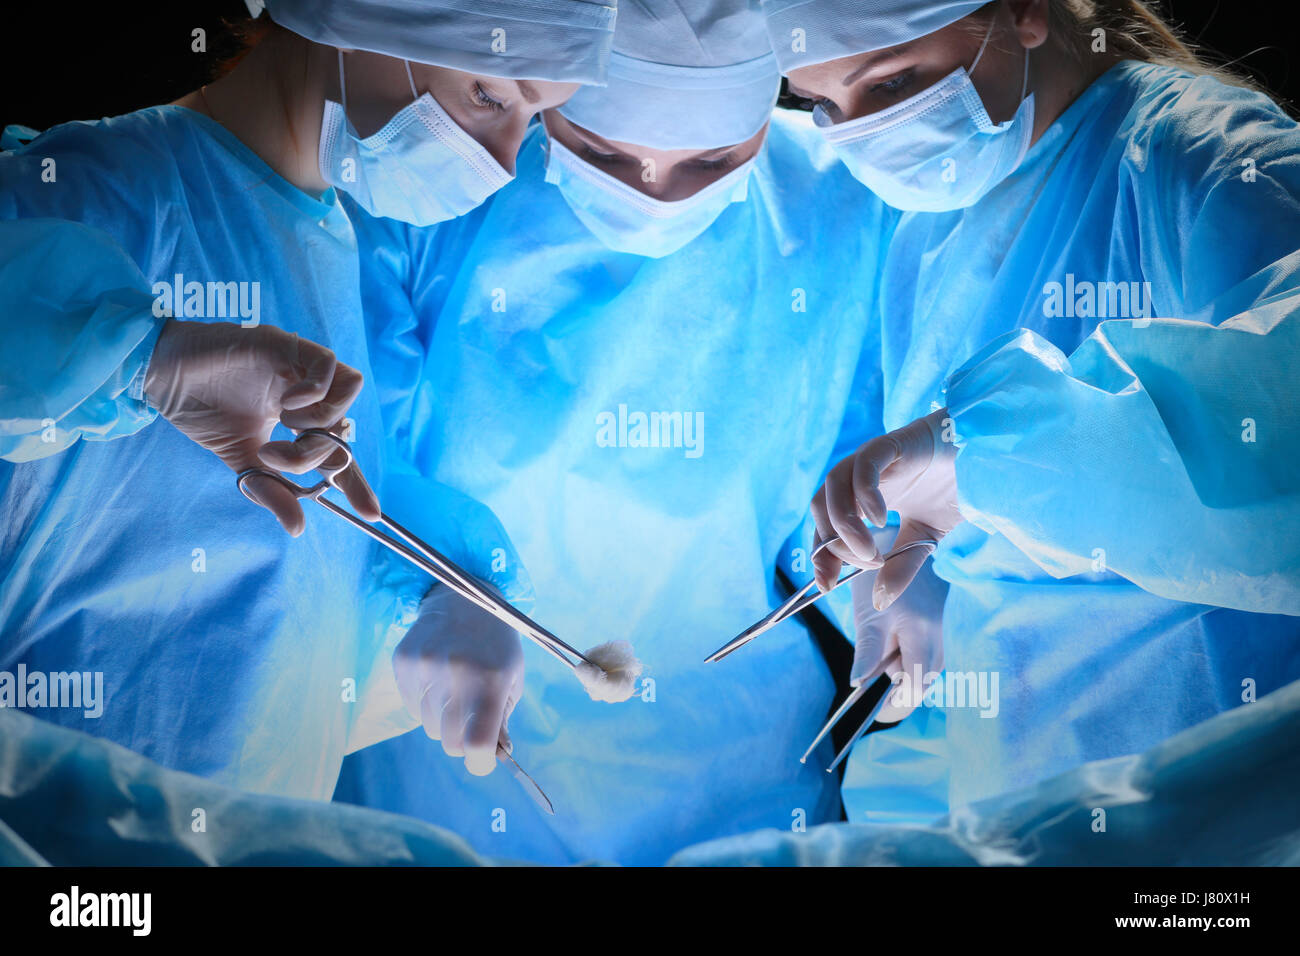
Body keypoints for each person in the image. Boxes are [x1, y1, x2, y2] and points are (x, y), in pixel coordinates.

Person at [0, 0, 615, 798]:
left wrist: (434, 600)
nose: (503, 163)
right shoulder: (100, 191)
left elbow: (284, 580)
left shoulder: (328, 239)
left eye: (535, 119)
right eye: (491, 95)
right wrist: (145, 360)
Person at [332, 0, 899, 864]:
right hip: (447, 765)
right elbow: (347, 438)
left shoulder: (845, 202)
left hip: (740, 767)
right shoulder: (443, 175)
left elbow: (857, 465)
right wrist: (426, 588)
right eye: (599, 152)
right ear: (547, 82)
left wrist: (879, 557)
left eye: (712, 160)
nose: (654, 196)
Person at [761, 0, 1300, 815]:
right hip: (1026, 798)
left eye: (893, 81)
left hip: (1219, 819)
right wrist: (936, 563)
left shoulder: (1204, 157)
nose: (862, 133)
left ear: (1023, 12)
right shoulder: (930, 232)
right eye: (823, 105)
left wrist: (993, 456)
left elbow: (1277, 423)